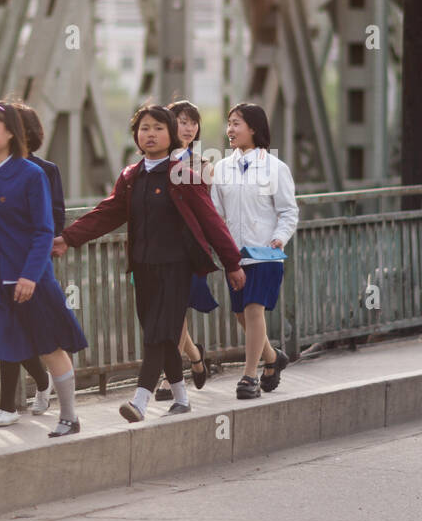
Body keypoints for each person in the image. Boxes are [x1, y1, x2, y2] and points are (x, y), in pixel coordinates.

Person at [55, 105, 244, 422]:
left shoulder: (183, 175)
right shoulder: (131, 176)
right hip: (142, 268)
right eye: (144, 128)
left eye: (158, 127)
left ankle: (140, 401)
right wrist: (69, 238)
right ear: (136, 135)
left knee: (158, 333)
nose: (151, 134)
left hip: (176, 266)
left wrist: (232, 263)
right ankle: (182, 399)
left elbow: (212, 222)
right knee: (162, 334)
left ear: (171, 134)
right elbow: (107, 213)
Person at [0, 101, 87, 452]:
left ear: (10, 132)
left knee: (50, 348)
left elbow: (44, 231)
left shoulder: (31, 174)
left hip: (32, 280)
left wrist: (29, 276)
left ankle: (69, 416)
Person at [210, 102, 299, 399]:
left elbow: (288, 211)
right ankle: (273, 359)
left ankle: (249, 377)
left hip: (265, 252)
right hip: (235, 255)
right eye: (229, 123)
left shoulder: (275, 167)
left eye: (237, 123)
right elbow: (215, 214)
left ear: (254, 129)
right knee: (240, 314)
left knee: (253, 310)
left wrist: (280, 236)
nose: (230, 129)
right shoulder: (221, 168)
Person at [0, 102, 62, 426]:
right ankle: (11, 403)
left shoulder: (45, 170)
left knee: (32, 332)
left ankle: (43, 385)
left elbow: (55, 218)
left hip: (33, 263)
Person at [165, 99, 215, 396]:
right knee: (160, 314)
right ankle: (195, 356)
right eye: (181, 121)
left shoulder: (202, 164)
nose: (188, 127)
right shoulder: (154, 159)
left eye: (192, 122)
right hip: (156, 246)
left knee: (175, 312)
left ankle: (169, 379)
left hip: (187, 247)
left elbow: (206, 209)